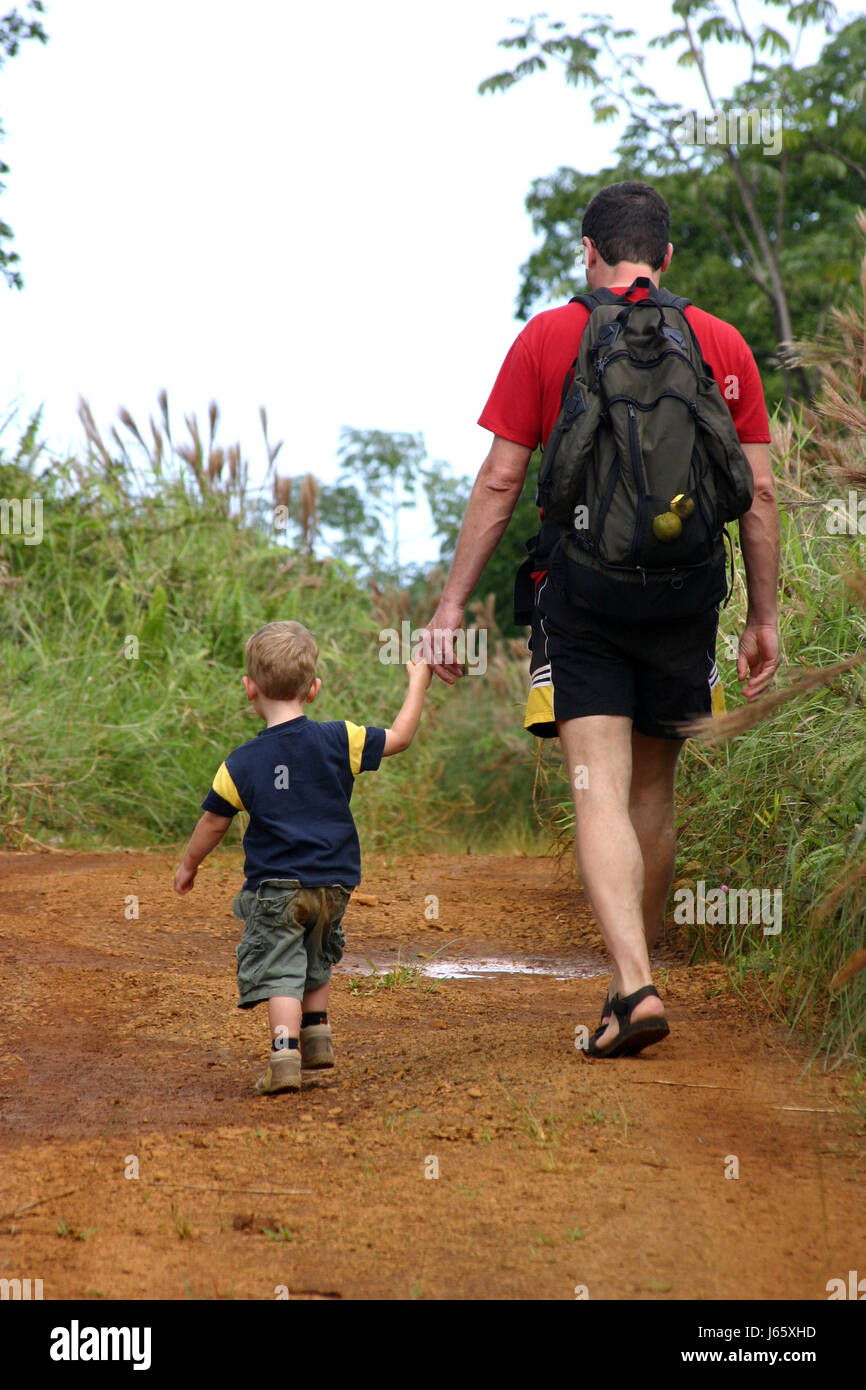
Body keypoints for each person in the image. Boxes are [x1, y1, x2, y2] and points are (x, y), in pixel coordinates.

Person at [424, 181, 779, 1057]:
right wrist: (762, 616)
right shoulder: (721, 342)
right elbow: (759, 492)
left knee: (597, 786)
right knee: (651, 791)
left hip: (583, 595)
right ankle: (636, 977)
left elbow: (503, 481)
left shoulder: (549, 336)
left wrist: (450, 607)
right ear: (666, 258)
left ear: (588, 252)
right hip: (687, 597)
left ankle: (632, 984)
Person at [173, 619, 431, 1094]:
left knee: (280, 969)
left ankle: (284, 1056)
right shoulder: (340, 738)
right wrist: (418, 681)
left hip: (277, 889)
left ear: (250, 689)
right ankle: (317, 1036)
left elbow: (213, 822)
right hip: (334, 883)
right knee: (316, 954)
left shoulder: (240, 763)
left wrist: (190, 865)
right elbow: (400, 737)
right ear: (313, 689)